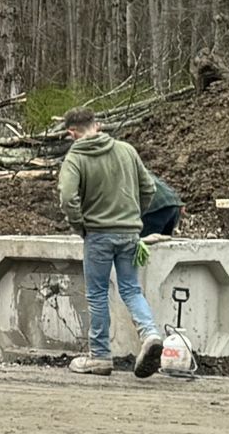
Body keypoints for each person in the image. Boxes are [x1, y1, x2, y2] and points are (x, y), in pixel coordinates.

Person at [55, 107, 162, 376]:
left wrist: (80, 225)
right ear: (98, 125)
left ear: (71, 132)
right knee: (130, 289)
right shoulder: (126, 150)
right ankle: (149, 335)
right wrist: (133, 215)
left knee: (97, 295)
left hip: (98, 235)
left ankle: (100, 356)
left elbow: (68, 198)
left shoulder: (75, 159)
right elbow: (149, 187)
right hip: (129, 234)